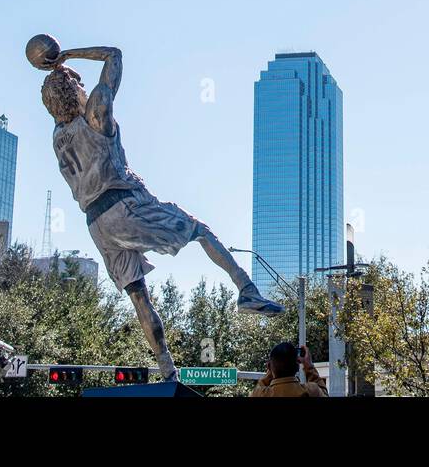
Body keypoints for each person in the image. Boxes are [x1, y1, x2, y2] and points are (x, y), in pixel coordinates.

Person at [35, 42, 283, 382]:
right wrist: (67, 56)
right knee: (199, 230)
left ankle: (168, 371)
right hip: (123, 205)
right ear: (74, 89)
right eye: (78, 84)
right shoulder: (95, 114)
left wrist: (55, 73)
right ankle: (245, 289)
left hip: (96, 224)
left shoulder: (58, 137)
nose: (83, 87)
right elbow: (114, 55)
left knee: (140, 298)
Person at [252, 343, 328, 397]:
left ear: (268, 366)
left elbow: (259, 387)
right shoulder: (311, 391)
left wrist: (272, 368)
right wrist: (309, 366)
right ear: (297, 366)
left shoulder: (259, 394)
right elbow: (324, 393)